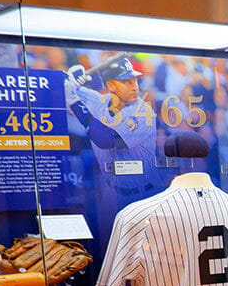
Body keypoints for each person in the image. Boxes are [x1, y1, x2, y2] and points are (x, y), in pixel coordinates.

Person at [65, 55, 166, 200]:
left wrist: (75, 102)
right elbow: (63, 92)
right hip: (110, 192)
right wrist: (70, 81)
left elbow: (105, 139)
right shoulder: (99, 101)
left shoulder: (143, 111)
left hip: (144, 193)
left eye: (134, 80)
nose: (134, 86)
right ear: (111, 86)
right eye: (126, 81)